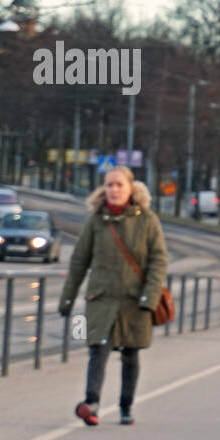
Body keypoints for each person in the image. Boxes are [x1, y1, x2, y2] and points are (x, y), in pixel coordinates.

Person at [59, 166, 168, 426]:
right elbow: (78, 262)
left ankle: (126, 406)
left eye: (119, 185)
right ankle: (92, 403)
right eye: (109, 185)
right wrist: (67, 298)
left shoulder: (147, 220)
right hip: (102, 298)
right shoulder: (96, 221)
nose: (114, 190)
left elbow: (158, 261)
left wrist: (149, 299)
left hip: (135, 300)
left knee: (131, 354)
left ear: (131, 188)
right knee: (99, 350)